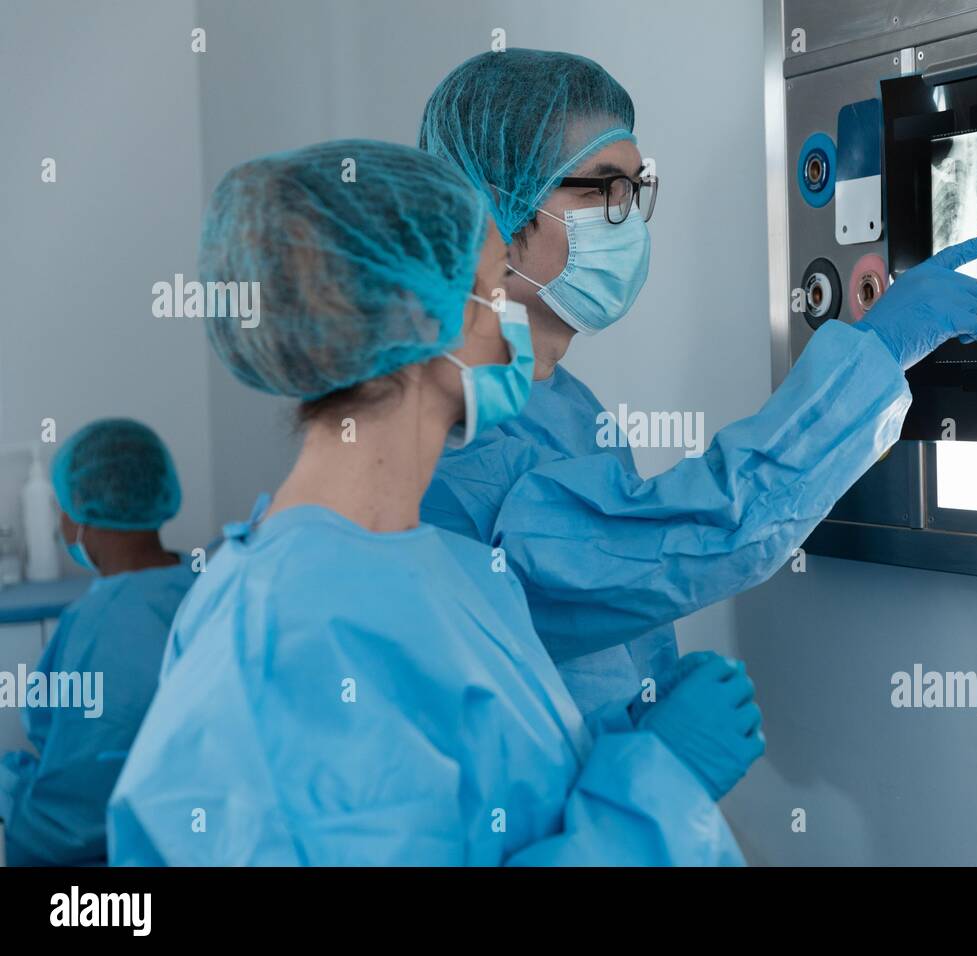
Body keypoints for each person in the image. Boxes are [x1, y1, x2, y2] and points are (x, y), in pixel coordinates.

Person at [107, 140, 760, 866]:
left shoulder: (450, 570)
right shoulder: (294, 639)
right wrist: (657, 790)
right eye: (493, 286)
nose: (512, 314)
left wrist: (633, 753)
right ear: (424, 320)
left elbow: (506, 804)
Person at [417, 49, 977, 724]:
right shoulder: (453, 441)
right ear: (500, 217)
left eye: (636, 191)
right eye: (603, 191)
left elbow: (612, 612)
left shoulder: (565, 406)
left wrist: (647, 719)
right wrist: (875, 354)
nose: (628, 221)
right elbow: (710, 528)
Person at [0, 418, 194, 866]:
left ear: (78, 515)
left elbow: (71, 822)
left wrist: (9, 786)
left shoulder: (103, 626)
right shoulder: (201, 582)